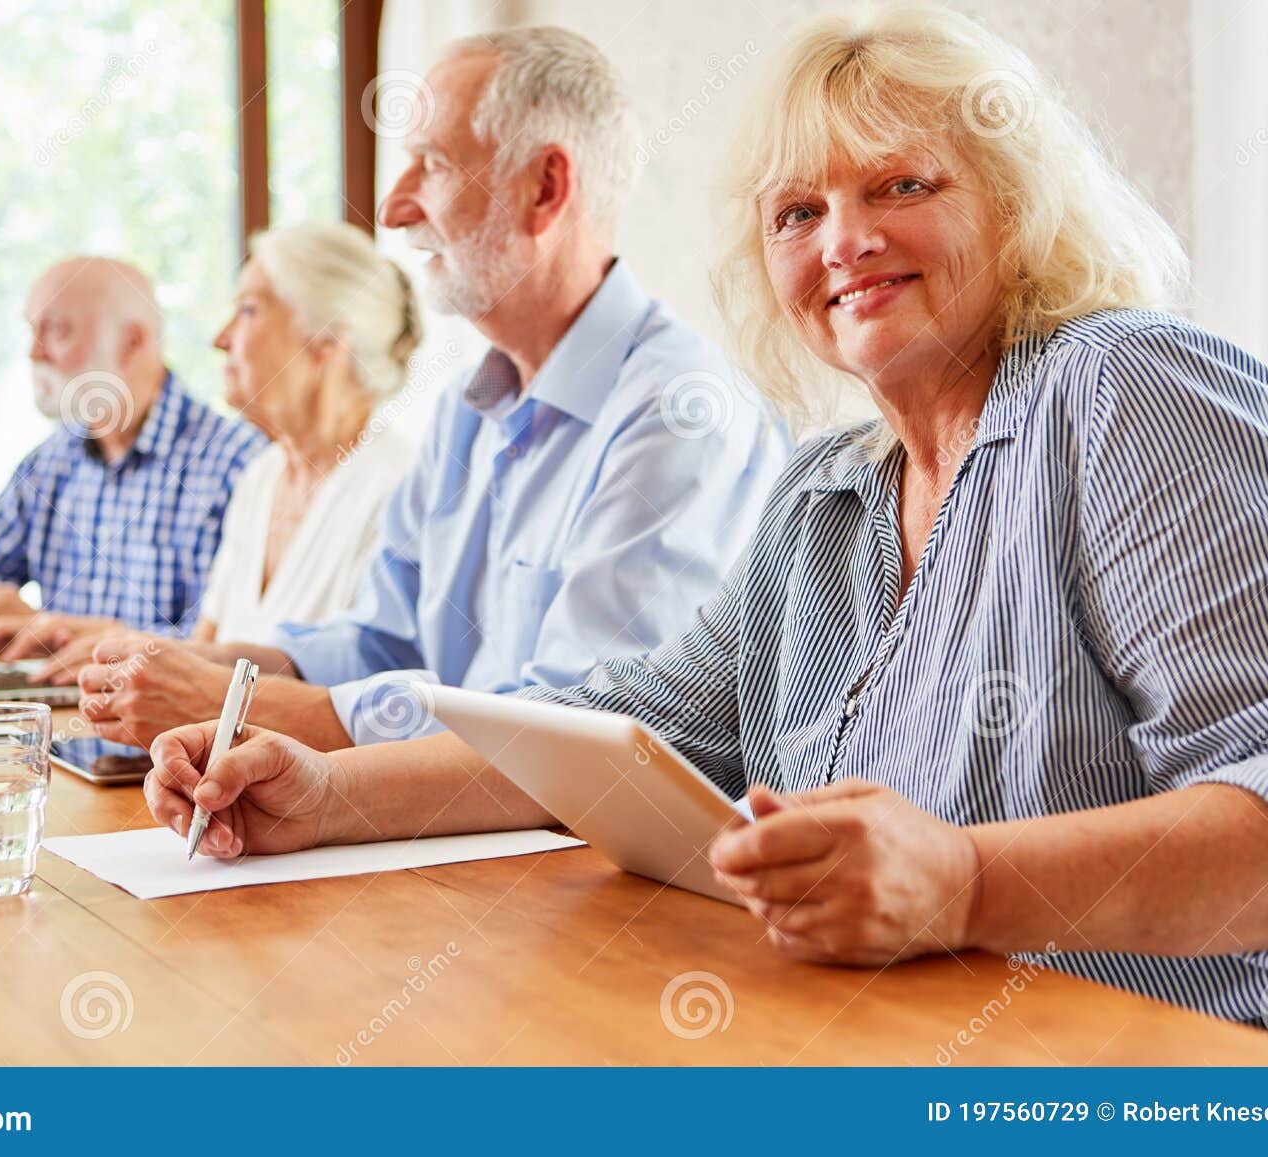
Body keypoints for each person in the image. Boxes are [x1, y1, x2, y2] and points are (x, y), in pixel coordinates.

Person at [142, 6, 1268, 1050]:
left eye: (901, 185)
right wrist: (326, 792)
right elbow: (623, 735)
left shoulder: (1124, 390)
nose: (843, 242)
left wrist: (964, 882)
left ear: (1014, 202)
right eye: (796, 212)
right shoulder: (827, 496)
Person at [77, 26, 790, 751]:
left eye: (431, 164)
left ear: (545, 188)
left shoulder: (677, 415)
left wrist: (236, 703)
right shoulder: (465, 412)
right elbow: (382, 646)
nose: (393, 208)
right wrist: (209, 665)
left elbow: (574, 740)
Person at [0, 224, 423, 676]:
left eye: (248, 311)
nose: (220, 338)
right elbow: (201, 662)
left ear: (326, 343)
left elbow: (374, 704)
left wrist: (119, 648)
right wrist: (101, 643)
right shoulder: (264, 476)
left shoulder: (398, 490)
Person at [0, 257, 266, 638]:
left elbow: (220, 651)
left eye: (56, 331)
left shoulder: (238, 465)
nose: (34, 352)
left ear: (132, 342)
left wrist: (52, 632)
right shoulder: (49, 464)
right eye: (31, 330)